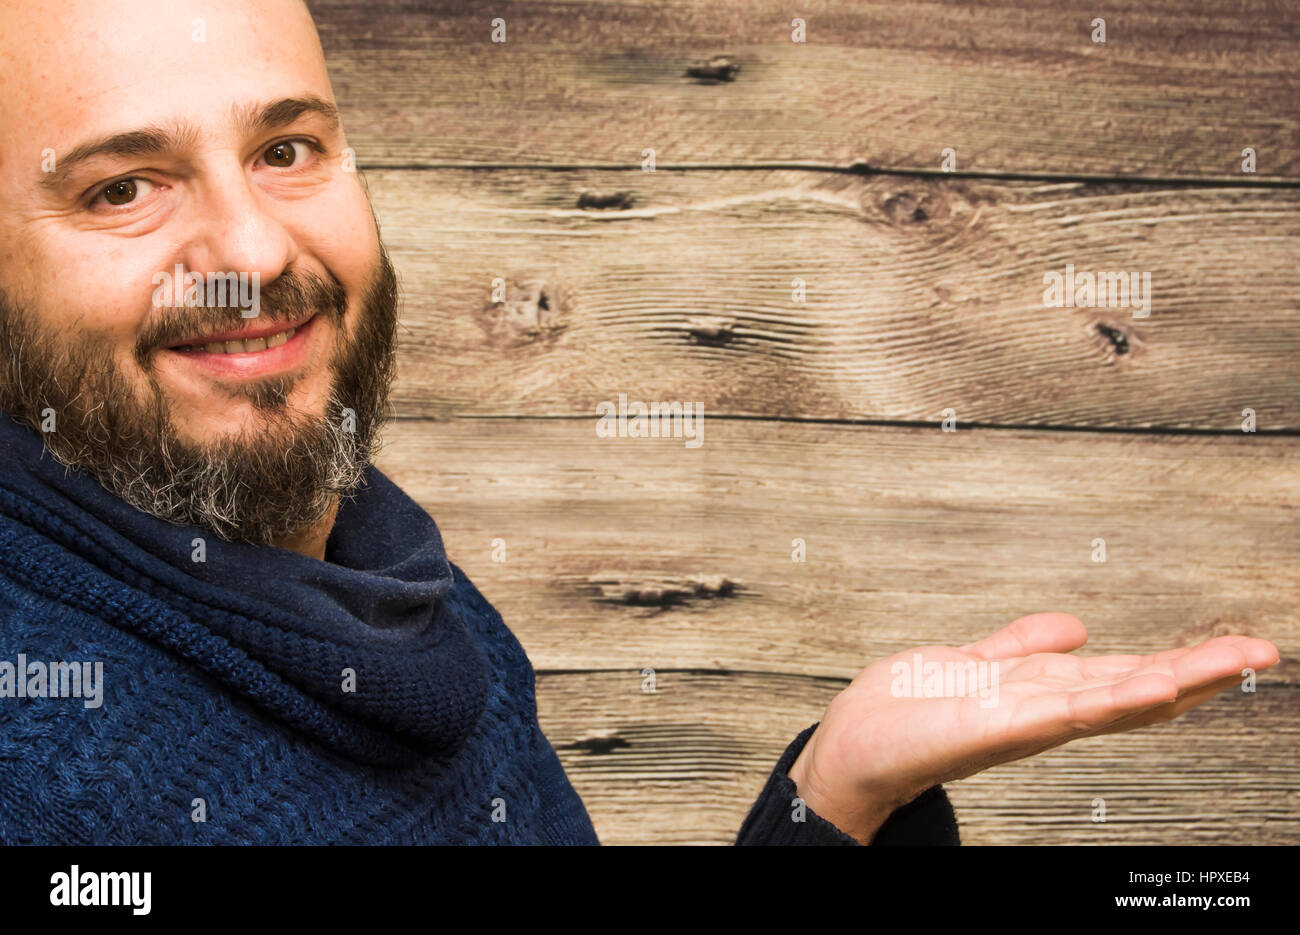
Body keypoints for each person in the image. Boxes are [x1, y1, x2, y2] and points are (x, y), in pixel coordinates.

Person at [0, 0, 1278, 845]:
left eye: (288, 150)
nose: (254, 251)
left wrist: (834, 793)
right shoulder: (53, 774)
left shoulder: (382, 570)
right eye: (124, 188)